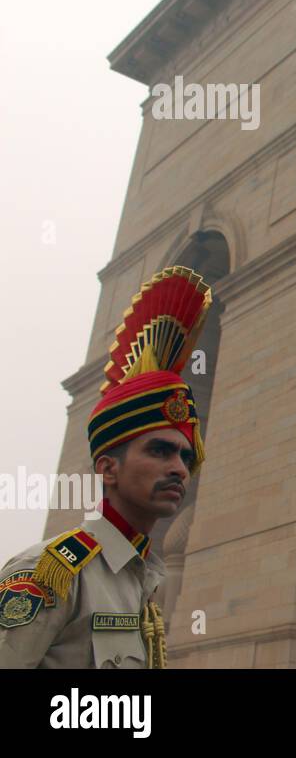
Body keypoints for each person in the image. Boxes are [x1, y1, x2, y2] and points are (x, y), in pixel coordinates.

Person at [0, 266, 211, 668]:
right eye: (160, 451)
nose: (179, 469)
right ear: (108, 469)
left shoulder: (146, 579)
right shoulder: (50, 572)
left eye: (185, 457)